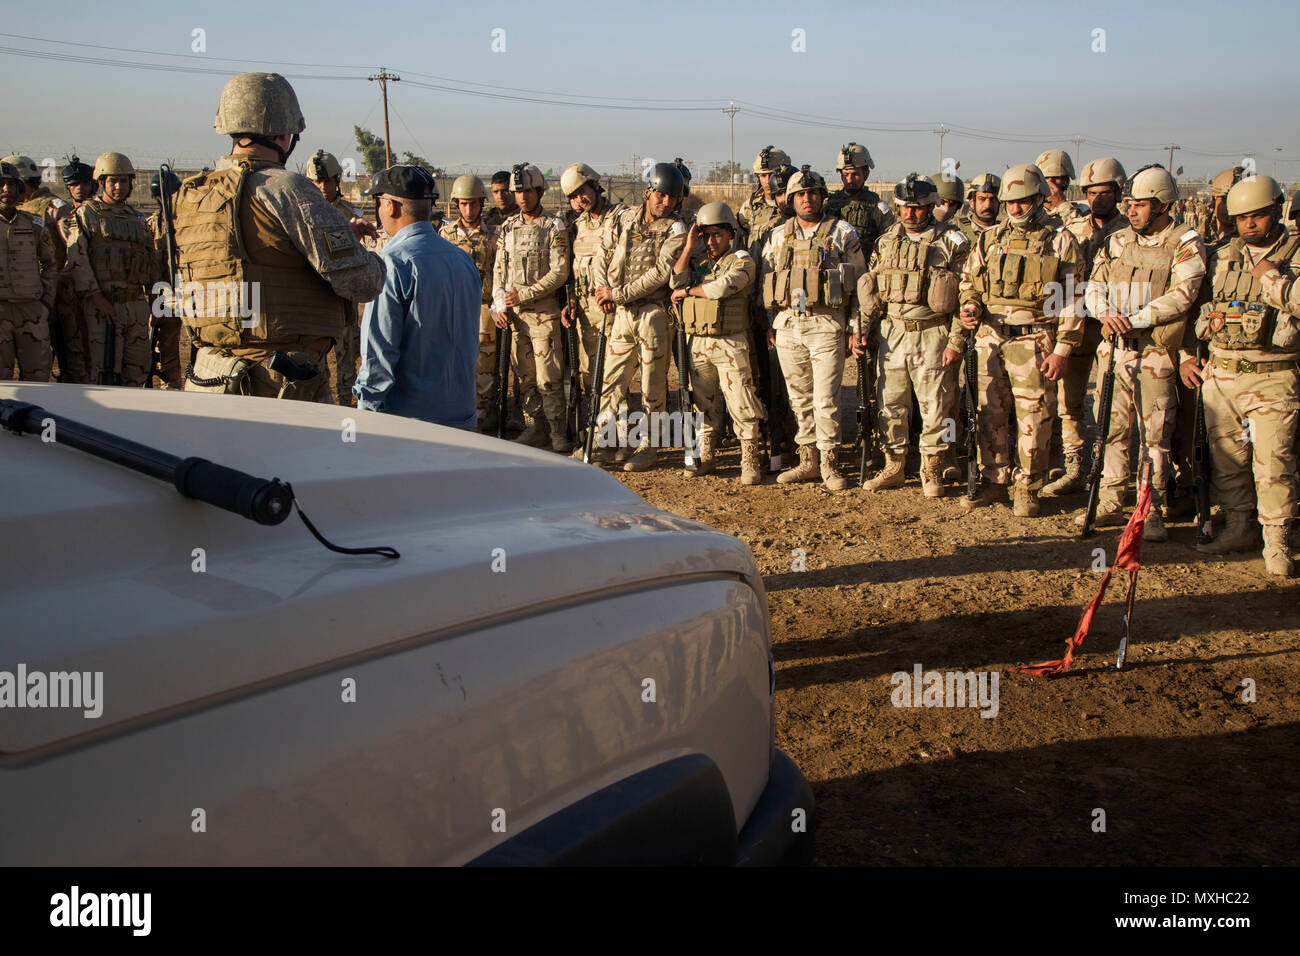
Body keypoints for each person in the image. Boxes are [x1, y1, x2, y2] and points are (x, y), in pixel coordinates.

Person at [174, 72, 384, 400]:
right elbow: (362, 283)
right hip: (276, 382)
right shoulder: (286, 189)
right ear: (283, 132)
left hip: (208, 375)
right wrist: (375, 258)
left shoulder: (191, 196)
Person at [1076, 166, 1206, 540]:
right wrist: (1105, 313)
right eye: (1130, 204)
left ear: (1164, 205)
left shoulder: (1185, 242)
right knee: (1111, 429)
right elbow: (1094, 285)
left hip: (1156, 352)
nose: (1132, 211)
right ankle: (1111, 498)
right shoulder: (1117, 242)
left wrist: (1135, 319)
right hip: (1115, 350)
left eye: (1141, 205)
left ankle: (1151, 507)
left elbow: (1183, 296)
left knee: (1155, 436)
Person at [1182, 175, 1299, 576]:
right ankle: (1239, 527)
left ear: (1276, 211)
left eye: (1259, 215)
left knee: (1273, 465)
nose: (1250, 224)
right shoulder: (1221, 255)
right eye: (1242, 217)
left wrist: (1272, 277)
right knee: (1228, 461)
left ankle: (1277, 541)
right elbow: (1193, 307)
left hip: (1273, 375)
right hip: (1221, 374)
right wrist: (1185, 355)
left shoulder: (1295, 254)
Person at [958, 163, 1085, 516]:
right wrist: (969, 305)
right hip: (991, 339)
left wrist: (1062, 349)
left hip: (1035, 341)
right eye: (1010, 202)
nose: (1015, 209)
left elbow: (1074, 298)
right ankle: (995, 481)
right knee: (990, 414)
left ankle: (1028, 486)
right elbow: (970, 282)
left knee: (1035, 418)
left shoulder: (1061, 240)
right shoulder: (988, 238)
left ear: (1040, 198)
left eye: (1023, 201)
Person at [853, 174, 968, 496]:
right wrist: (862, 330)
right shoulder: (886, 241)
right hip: (892, 334)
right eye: (904, 207)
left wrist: (956, 342)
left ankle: (931, 468)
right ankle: (894, 466)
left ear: (931, 206)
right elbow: (870, 289)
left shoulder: (953, 242)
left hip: (933, 333)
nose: (910, 214)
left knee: (936, 406)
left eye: (918, 208)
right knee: (891, 404)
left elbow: (967, 296)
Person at [758, 165, 866, 491]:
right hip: (789, 323)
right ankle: (808, 461)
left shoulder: (842, 233)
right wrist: (770, 325)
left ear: (822, 196)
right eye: (801, 194)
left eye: (812, 193)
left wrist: (856, 327)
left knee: (826, 399)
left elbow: (861, 284)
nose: (807, 200)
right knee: (799, 398)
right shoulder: (778, 235)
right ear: (791, 199)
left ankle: (829, 463)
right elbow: (766, 282)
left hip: (826, 324)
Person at [354, 165, 479, 427]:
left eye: (379, 203)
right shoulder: (462, 260)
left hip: (412, 423)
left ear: (391, 206)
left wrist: (365, 415)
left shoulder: (391, 264)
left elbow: (378, 356)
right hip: (461, 414)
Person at [590, 162, 688, 470]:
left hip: (653, 315)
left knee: (652, 387)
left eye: (672, 197)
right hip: (620, 314)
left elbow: (661, 273)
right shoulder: (623, 218)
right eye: (661, 196)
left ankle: (649, 447)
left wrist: (616, 294)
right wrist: (600, 289)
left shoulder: (675, 228)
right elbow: (602, 254)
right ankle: (604, 442)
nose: (666, 203)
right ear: (648, 192)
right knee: (611, 381)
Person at [1043, 157, 1129, 497]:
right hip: (1076, 320)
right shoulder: (1072, 231)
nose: (1098, 199)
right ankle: (1075, 467)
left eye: (1106, 192)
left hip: (1112, 324)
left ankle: (1105, 470)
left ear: (1119, 193)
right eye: (1091, 192)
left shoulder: (1129, 232)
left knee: (1109, 403)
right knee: (1069, 400)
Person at [669, 201, 764, 484]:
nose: (711, 241)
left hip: (730, 342)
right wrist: (689, 247)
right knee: (702, 403)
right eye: (706, 235)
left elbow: (721, 287)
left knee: (741, 402)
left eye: (717, 235)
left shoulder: (742, 259)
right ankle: (705, 454)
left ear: (730, 234)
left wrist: (688, 291)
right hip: (698, 342)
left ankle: (750, 458)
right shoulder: (699, 262)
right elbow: (675, 278)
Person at [491, 163, 572, 450]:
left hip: (543, 316)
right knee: (524, 380)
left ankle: (558, 432)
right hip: (515, 319)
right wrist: (499, 305)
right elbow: (499, 270)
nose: (521, 196)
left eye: (526, 190)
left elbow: (560, 272)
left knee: (548, 379)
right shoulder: (508, 227)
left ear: (539, 191)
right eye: (518, 191)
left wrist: (523, 295)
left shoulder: (554, 226)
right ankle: (535, 427)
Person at [61, 152, 157, 386]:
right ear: (101, 182)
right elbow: (77, 259)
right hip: (103, 305)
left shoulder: (137, 219)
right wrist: (95, 296)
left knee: (138, 371)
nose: (118, 187)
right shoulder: (86, 214)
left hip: (135, 305)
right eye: (112, 181)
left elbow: (150, 262)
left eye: (123, 181)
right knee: (104, 372)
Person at [561, 162, 624, 406]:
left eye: (582, 192)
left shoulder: (620, 219)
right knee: (589, 376)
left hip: (612, 309)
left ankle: (618, 435)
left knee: (614, 376)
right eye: (574, 196)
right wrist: (572, 302)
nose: (580, 199)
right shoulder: (578, 226)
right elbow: (575, 271)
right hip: (585, 314)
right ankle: (596, 431)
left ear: (596, 185)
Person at [307, 148, 366, 405]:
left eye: (327, 181)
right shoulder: (301, 214)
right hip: (313, 300)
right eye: (317, 181)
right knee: (314, 361)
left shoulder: (348, 215)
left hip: (342, 300)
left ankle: (346, 405)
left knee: (346, 357)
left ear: (336, 182)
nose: (322, 187)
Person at [439, 174, 498, 429]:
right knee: (451, 362)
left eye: (473, 204)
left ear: (481, 204)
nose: (469, 209)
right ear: (456, 204)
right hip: (452, 308)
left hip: (483, 309)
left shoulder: (494, 237)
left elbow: (500, 273)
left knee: (484, 368)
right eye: (463, 204)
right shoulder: (445, 234)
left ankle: (481, 422)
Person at [0, 161, 56, 381]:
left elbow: (50, 263)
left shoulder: (33, 224)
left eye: (12, 185)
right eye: (2, 185)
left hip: (31, 312)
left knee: (38, 377)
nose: (7, 190)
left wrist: (45, 302)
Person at [826, 142, 893, 255]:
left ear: (866, 174)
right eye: (846, 174)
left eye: (855, 174)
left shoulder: (879, 207)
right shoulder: (828, 204)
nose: (850, 180)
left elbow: (889, 242)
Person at [738, 146, 791, 247]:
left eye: (771, 174)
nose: (767, 181)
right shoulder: (749, 207)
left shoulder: (795, 204)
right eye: (763, 176)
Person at [1035, 150, 1087, 226]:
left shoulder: (1082, 210)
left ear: (1066, 181)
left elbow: (1080, 231)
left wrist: (1061, 204)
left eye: (1056, 178)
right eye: (1045, 178)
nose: (1050, 183)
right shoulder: (1028, 211)